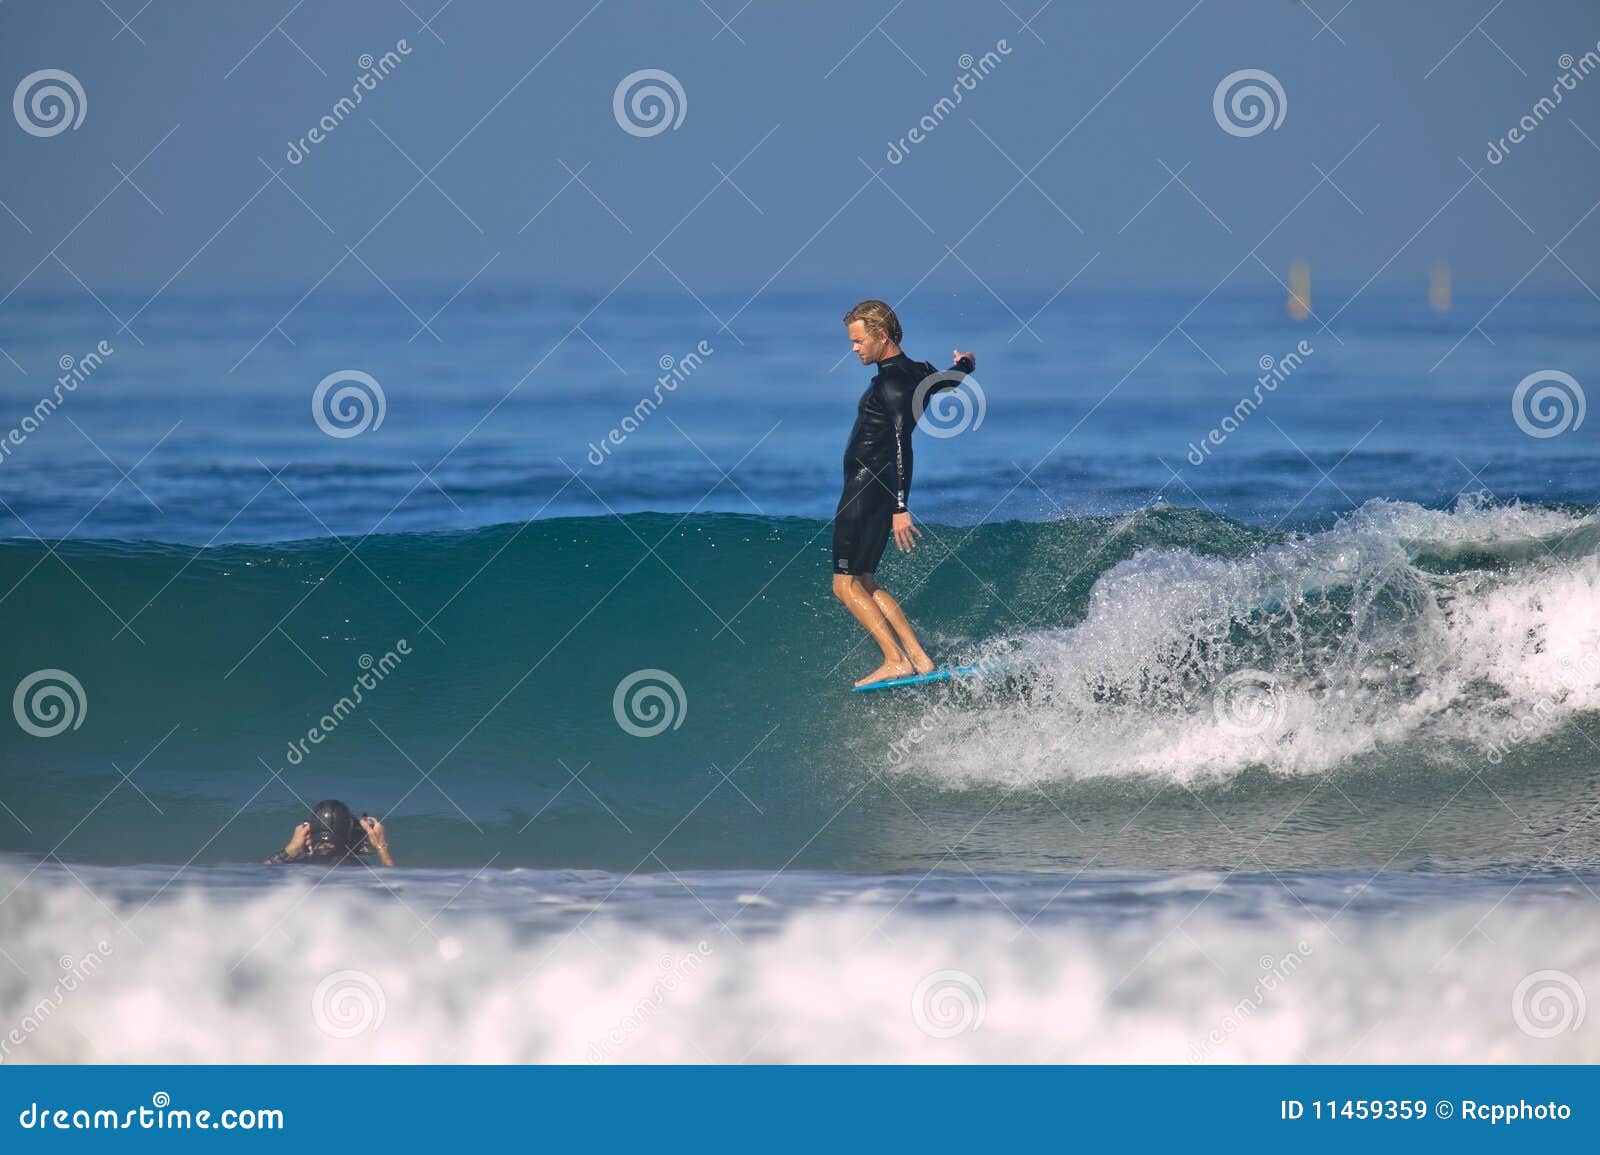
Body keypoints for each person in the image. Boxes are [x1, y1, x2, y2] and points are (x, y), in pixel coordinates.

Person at [833, 299, 976, 687]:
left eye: (860, 340)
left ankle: (895, 659)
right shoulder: (920, 371)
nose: (854, 348)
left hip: (865, 489)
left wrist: (901, 507)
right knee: (864, 580)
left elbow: (901, 444)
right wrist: (966, 364)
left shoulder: (891, 384)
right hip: (877, 490)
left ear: (881, 336)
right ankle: (919, 658)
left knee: (844, 584)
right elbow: (950, 379)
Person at [264, 798, 395, 867]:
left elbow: (263, 875)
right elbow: (393, 890)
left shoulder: (293, 866)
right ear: (349, 831)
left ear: (310, 830)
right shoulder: (359, 869)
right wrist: (380, 846)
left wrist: (290, 849)